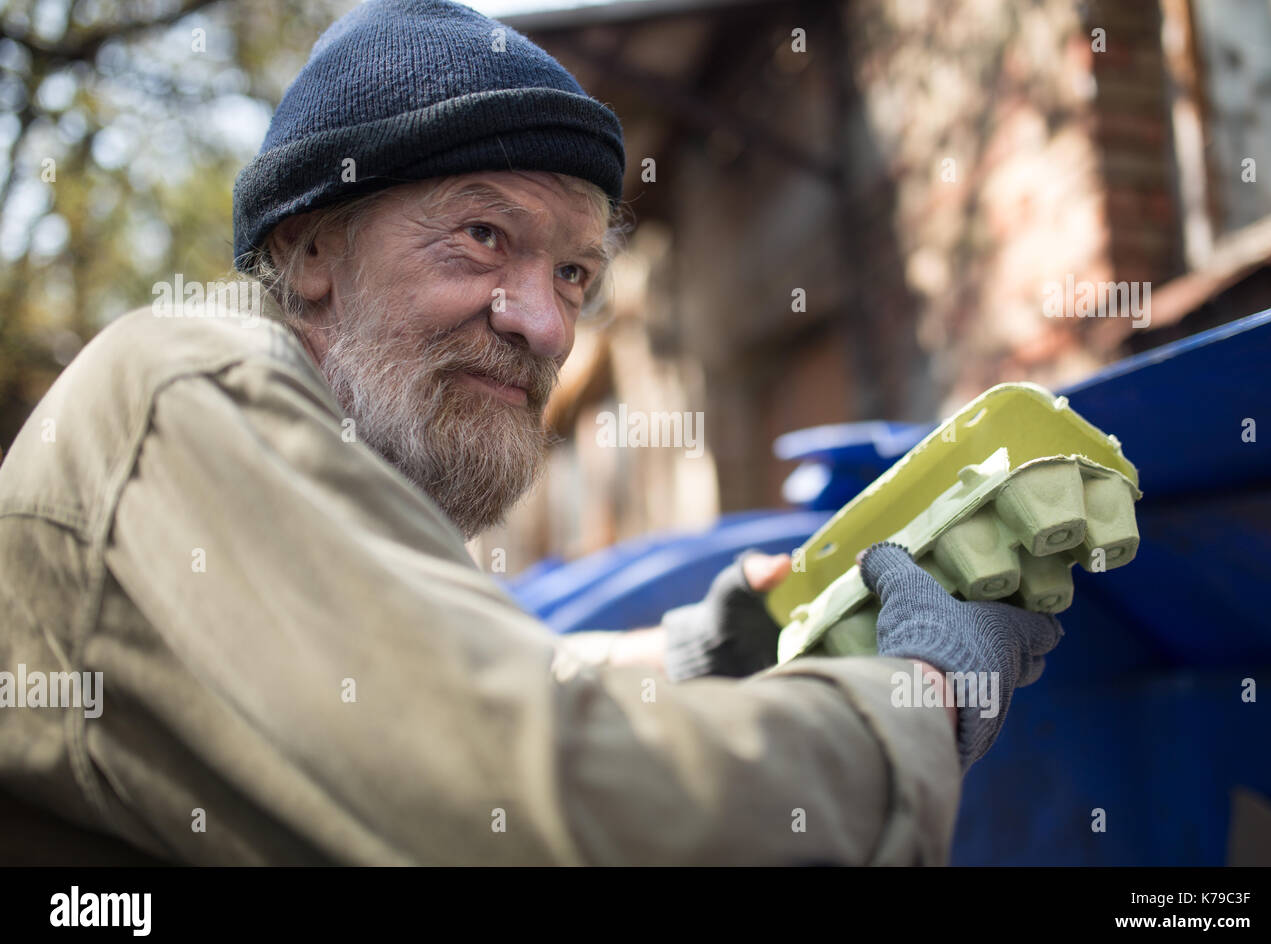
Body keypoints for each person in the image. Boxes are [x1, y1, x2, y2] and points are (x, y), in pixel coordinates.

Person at [0, 0, 1061, 865]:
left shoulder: (311, 451)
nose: (546, 325)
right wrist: (917, 696)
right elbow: (542, 815)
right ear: (312, 247)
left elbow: (447, 704)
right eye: (479, 234)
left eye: (574, 272)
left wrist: (691, 657)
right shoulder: (192, 389)